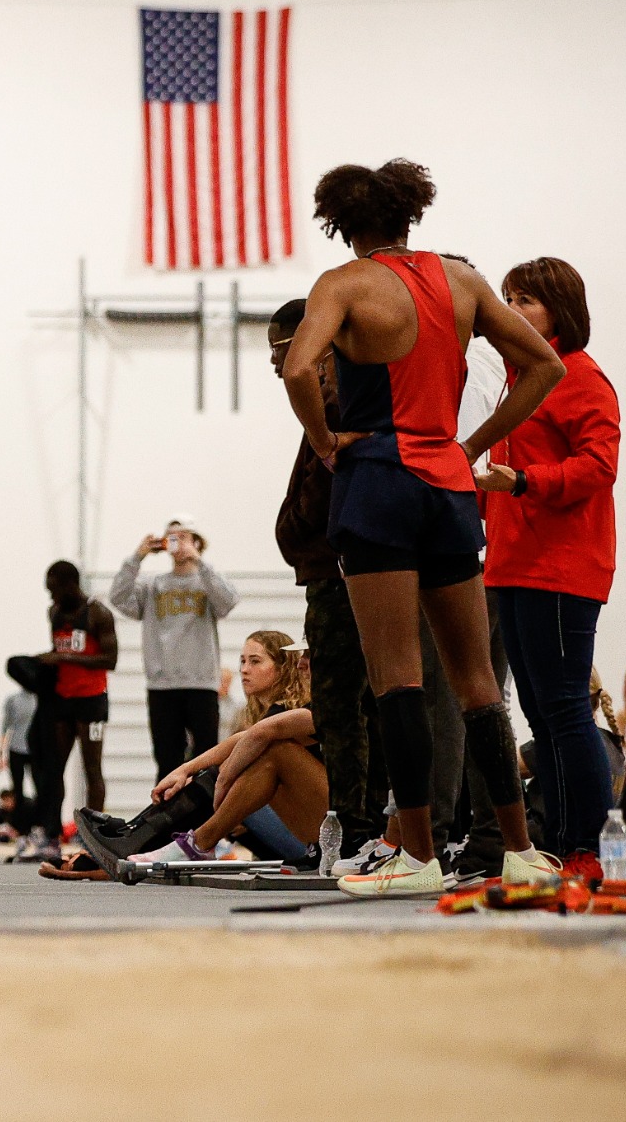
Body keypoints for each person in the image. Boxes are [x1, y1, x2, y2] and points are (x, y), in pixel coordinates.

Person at [281, 159, 564, 897]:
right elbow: (543, 366)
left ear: (343, 224)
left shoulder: (343, 284)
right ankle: (519, 851)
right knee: (476, 681)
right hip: (446, 486)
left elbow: (298, 367)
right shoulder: (464, 279)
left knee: (396, 679)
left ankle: (417, 855)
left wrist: (322, 441)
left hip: (376, 481)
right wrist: (472, 446)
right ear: (411, 215)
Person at [479, 256, 620, 871]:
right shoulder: (521, 378)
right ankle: (559, 844)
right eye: (507, 299)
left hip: (561, 566)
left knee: (564, 708)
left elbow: (599, 465)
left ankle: (587, 847)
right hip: (510, 565)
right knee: (539, 713)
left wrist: (526, 482)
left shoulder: (580, 378)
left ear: (560, 310)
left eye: (525, 301)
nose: (512, 312)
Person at [271, 295, 387, 860]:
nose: (275, 365)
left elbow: (320, 496)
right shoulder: (333, 401)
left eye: (280, 349)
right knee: (363, 705)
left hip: (339, 571)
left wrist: (291, 529)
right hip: (340, 566)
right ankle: (364, 827)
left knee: (343, 707)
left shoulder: (336, 403)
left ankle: (355, 831)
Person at [122, 631, 329, 867]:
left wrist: (222, 780)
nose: (244, 670)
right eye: (242, 661)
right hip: (316, 833)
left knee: (261, 758)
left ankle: (174, 844)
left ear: (283, 668)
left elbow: (261, 734)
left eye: (255, 661)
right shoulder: (283, 710)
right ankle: (141, 836)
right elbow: (247, 736)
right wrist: (186, 769)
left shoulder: (324, 707)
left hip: (337, 835)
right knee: (234, 772)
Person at [7, 561, 118, 863]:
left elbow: (110, 659)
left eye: (54, 590)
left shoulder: (97, 613)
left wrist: (63, 656)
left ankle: (97, 840)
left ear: (70, 584)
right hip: (62, 700)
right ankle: (51, 837)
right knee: (53, 771)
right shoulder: (54, 614)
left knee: (92, 768)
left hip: (91, 699)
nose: (51, 597)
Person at [111, 519, 238, 781]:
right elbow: (118, 597)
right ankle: (169, 820)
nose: (177, 544)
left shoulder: (207, 581)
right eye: (171, 538)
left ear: (196, 541)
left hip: (201, 683)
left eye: (183, 537)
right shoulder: (152, 585)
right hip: (162, 685)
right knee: (167, 761)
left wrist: (199, 560)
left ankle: (206, 819)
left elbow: (228, 602)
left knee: (206, 759)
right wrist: (138, 556)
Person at [0, 683, 34, 804]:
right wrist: (0, 754)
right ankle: (19, 817)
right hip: (16, 747)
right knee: (17, 786)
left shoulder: (40, 699)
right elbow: (5, 727)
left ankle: (40, 816)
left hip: (35, 748)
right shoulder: (13, 700)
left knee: (40, 784)